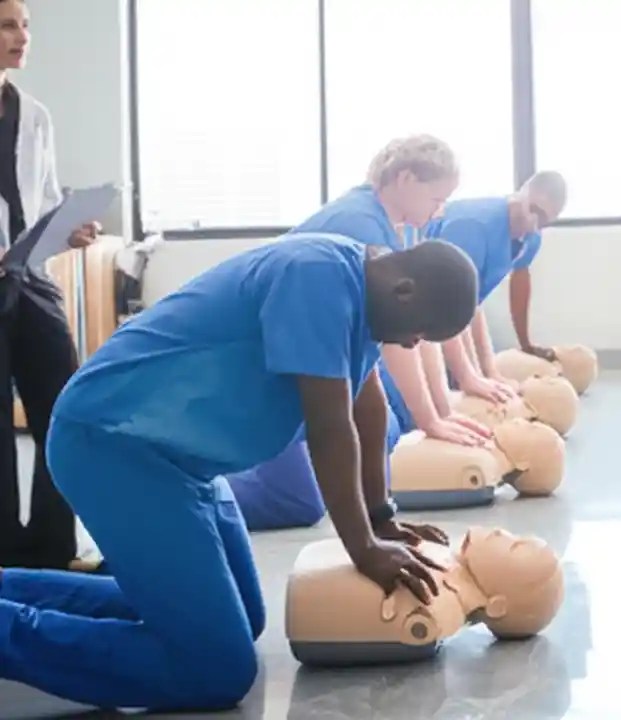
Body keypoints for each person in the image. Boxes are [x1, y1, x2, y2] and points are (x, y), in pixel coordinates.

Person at [0, 234, 480, 712]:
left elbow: (367, 409)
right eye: (420, 330)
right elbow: (331, 429)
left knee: (242, 619)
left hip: (181, 463)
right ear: (404, 290)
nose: (412, 343)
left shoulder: (361, 297)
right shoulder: (316, 274)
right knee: (214, 667)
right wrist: (364, 548)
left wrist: (380, 517)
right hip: (112, 443)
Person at [292, 134, 497, 447]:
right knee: (384, 428)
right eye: (436, 200)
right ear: (406, 179)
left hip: (324, 345)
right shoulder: (362, 226)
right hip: (293, 349)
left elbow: (417, 327)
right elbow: (396, 337)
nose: (439, 211)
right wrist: (430, 421)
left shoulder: (393, 225)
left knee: (392, 421)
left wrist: (442, 412)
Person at [0, 0, 102, 570]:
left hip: (29, 277)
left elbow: (41, 201)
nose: (22, 37)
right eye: (9, 26)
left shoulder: (34, 114)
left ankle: (52, 547)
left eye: (26, 26)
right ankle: (4, 556)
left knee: (64, 411)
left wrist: (71, 228)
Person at [424, 170, 568, 388]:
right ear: (521, 193)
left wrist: (495, 368)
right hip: (418, 309)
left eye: (544, 220)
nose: (533, 223)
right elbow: (447, 304)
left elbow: (474, 303)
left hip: (452, 312)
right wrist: (471, 378)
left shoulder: (531, 238)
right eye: (534, 209)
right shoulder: (472, 226)